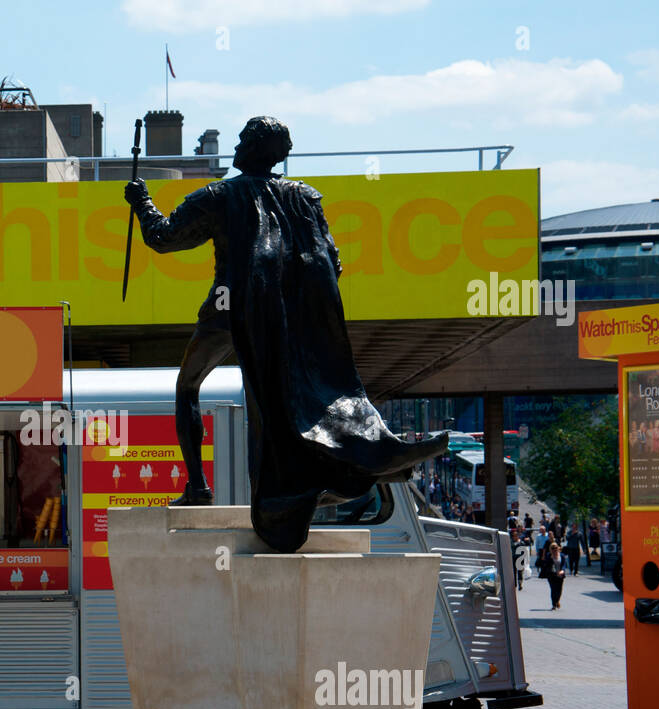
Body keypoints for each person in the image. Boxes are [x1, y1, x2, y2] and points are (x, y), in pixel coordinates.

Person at [124, 115, 446, 551]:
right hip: (284, 315)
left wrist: (140, 201)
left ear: (252, 148)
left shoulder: (221, 195)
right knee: (284, 397)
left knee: (188, 387)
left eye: (243, 140)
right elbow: (333, 260)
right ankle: (348, 460)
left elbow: (163, 237)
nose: (236, 145)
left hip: (227, 308)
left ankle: (199, 486)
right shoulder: (305, 197)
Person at [540, 541, 566, 609]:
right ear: (550, 549)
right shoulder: (549, 555)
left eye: (556, 548)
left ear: (558, 548)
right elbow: (547, 565)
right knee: (553, 589)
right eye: (553, 548)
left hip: (560, 575)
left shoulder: (562, 555)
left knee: (559, 590)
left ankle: (557, 601)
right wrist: (551, 557)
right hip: (551, 575)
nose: (554, 549)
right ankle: (554, 604)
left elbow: (564, 565)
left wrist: (562, 571)